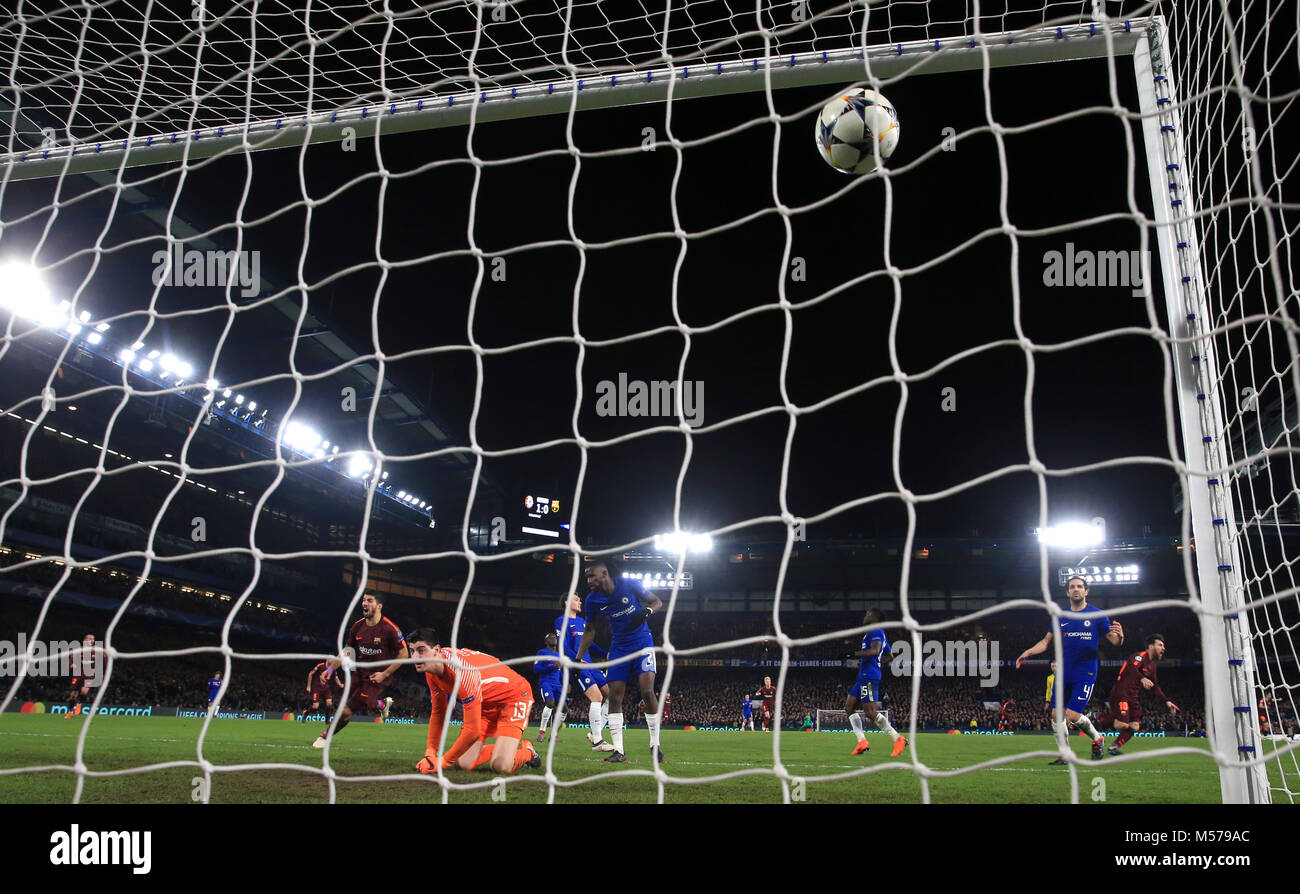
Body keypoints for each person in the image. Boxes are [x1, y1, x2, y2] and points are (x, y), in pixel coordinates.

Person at [1016, 575, 1124, 763]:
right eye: (1072, 587)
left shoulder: (1097, 615)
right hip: (1064, 672)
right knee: (1056, 714)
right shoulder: (1061, 617)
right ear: (1067, 592)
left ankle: (1097, 738)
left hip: (1085, 672)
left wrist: (1120, 637)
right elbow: (1046, 641)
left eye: (1079, 586)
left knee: (1072, 716)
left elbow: (1114, 640)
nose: (1076, 589)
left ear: (1086, 591)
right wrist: (1028, 652)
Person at [408, 628, 541, 774]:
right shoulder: (432, 669)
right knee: (463, 764)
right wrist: (430, 754)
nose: (415, 657)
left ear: (436, 650)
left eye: (421, 650)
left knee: (501, 766)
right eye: (412, 650)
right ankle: (503, 750)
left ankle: (528, 752)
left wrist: (443, 763)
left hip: (513, 697)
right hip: (483, 702)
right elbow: (439, 713)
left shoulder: (463, 672)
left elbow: (473, 731)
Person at [575, 560, 666, 764]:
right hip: (618, 649)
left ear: (604, 573)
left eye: (591, 576)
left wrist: (646, 612)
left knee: (647, 692)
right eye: (587, 577)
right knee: (615, 697)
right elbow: (590, 630)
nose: (588, 580)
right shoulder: (592, 600)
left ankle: (655, 743)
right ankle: (619, 751)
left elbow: (657, 601)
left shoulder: (629, 584)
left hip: (643, 643)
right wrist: (578, 658)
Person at [313, 593, 407, 748]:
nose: (365, 603)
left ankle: (324, 738)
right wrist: (330, 669)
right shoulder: (357, 626)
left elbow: (404, 654)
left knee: (346, 711)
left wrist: (385, 674)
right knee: (344, 711)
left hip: (378, 676)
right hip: (359, 674)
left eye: (370, 600)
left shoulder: (390, 628)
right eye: (364, 600)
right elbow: (348, 651)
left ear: (379, 606)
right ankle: (381, 705)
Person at [1096, 634, 1179, 755]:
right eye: (1160, 645)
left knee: (1134, 726)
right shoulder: (1139, 656)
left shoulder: (1152, 666)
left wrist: (1167, 701)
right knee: (1122, 725)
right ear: (1151, 646)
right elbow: (1131, 667)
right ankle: (1098, 717)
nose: (1163, 648)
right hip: (1121, 693)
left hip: (1133, 697)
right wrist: (1142, 678)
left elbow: (1155, 687)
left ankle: (1113, 748)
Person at [556, 594, 614, 752]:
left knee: (612, 695)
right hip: (578, 665)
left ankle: (594, 733)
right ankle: (598, 742)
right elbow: (562, 645)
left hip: (591, 665)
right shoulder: (561, 621)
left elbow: (589, 643)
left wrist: (604, 653)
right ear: (567, 602)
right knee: (597, 697)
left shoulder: (582, 622)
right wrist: (575, 660)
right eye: (576, 599)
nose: (580, 601)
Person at [847, 608, 907, 757]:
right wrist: (879, 662)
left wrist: (854, 654)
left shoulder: (876, 631)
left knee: (870, 712)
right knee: (849, 707)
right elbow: (890, 655)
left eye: (868, 613)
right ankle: (862, 742)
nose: (865, 615)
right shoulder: (877, 634)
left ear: (874, 617)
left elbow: (874, 651)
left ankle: (898, 739)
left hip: (869, 676)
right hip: (864, 676)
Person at [534, 634, 565, 742]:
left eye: (555, 637)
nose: (554, 638)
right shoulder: (541, 653)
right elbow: (536, 669)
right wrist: (552, 666)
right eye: (551, 637)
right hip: (546, 683)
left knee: (564, 709)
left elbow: (560, 672)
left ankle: (553, 736)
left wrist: (566, 682)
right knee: (550, 703)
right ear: (546, 641)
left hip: (558, 685)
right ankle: (541, 732)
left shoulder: (559, 655)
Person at [65, 634, 98, 718]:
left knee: (84, 692)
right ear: (84, 640)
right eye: (90, 639)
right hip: (78, 674)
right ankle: (70, 711)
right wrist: (72, 665)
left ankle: (79, 704)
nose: (92, 640)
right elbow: (71, 661)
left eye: (93, 639)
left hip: (89, 674)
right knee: (73, 695)